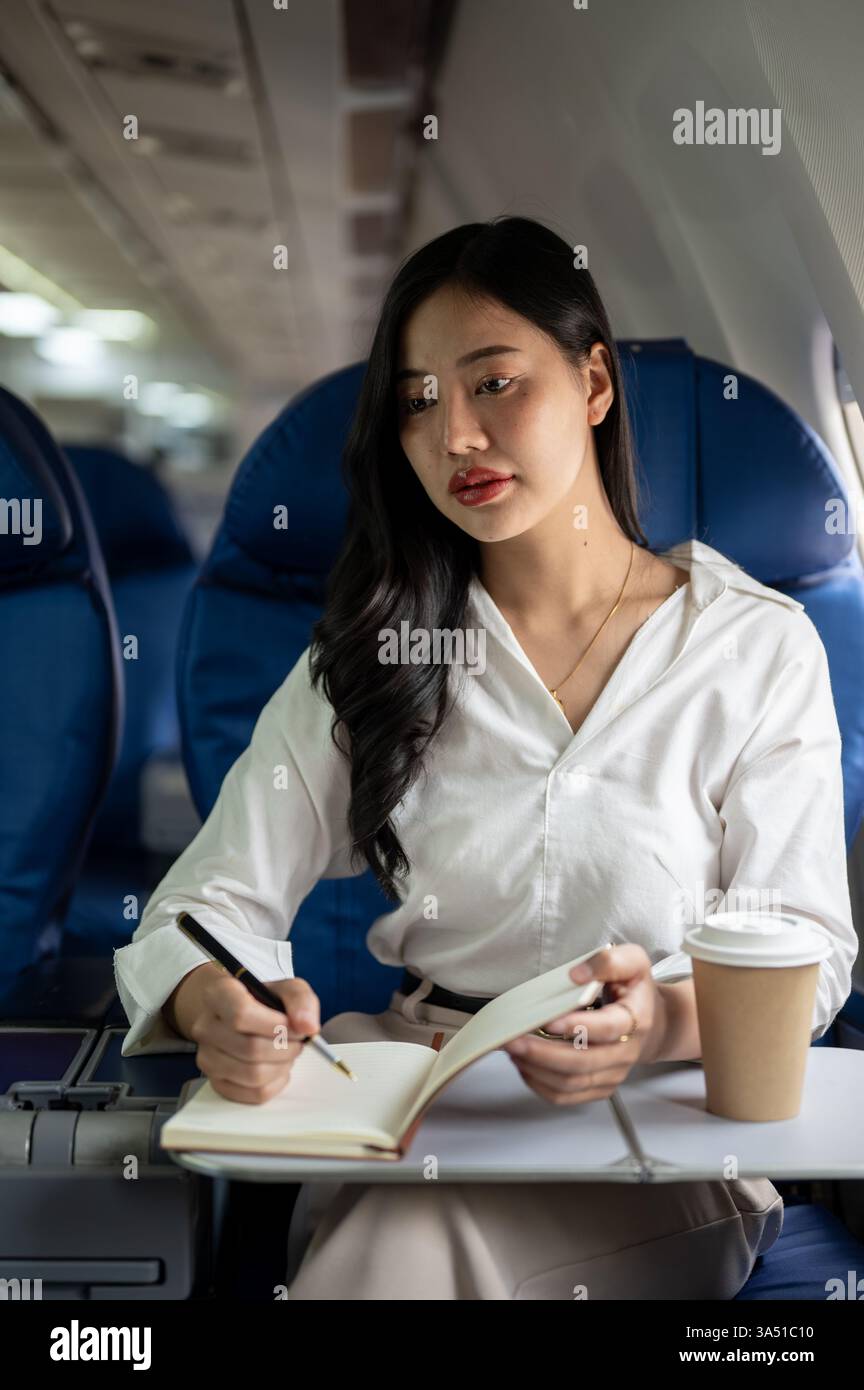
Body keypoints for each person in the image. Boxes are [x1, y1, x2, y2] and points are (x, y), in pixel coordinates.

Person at [113, 216, 857, 1300]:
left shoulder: (750, 646)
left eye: (494, 383)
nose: (455, 435)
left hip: (659, 1137)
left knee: (397, 1265)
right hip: (418, 1106)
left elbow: (806, 950)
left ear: (594, 384)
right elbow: (202, 903)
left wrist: (656, 1022)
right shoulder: (375, 653)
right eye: (419, 400)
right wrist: (213, 1003)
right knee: (408, 1233)